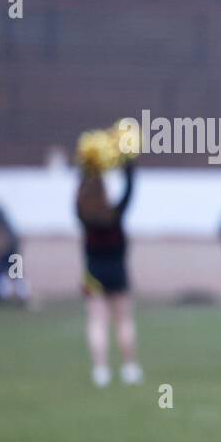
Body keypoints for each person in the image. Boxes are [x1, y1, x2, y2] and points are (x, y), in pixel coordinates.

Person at [77, 161, 141, 387]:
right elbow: (130, 190)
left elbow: (78, 193)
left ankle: (101, 370)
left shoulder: (84, 213)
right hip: (117, 270)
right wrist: (128, 164)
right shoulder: (114, 213)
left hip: (92, 272)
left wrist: (87, 169)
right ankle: (129, 367)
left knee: (97, 322)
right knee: (123, 320)